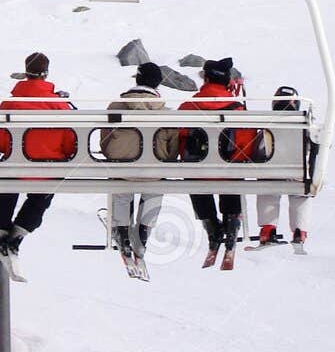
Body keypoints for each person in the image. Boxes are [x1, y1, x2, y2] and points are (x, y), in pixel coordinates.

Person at [0, 52, 76, 269]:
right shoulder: (59, 105)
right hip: (48, 169)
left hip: (15, 166)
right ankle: (19, 232)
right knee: (42, 195)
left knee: (8, 182)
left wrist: (9, 149)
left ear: (26, 72)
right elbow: (71, 140)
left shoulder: (10, 103)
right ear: (46, 74)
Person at [179, 57, 255, 267]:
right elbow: (245, 143)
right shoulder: (237, 109)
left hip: (197, 172)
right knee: (232, 178)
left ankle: (212, 227)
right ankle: (231, 230)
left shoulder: (188, 107)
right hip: (228, 172)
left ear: (206, 78)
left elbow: (180, 137)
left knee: (194, 179)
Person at [101, 63, 164, 263]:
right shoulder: (165, 111)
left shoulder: (115, 107)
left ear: (137, 79)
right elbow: (172, 145)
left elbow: (104, 141)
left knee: (121, 190)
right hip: (155, 168)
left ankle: (122, 232)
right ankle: (142, 238)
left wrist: (112, 153)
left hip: (123, 165)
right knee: (154, 191)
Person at [256, 85, 317, 249]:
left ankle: (268, 229)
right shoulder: (305, 122)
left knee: (267, 192)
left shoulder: (266, 122)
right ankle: (300, 231)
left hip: (270, 172)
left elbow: (258, 148)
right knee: (300, 196)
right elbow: (316, 144)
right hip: (297, 173)